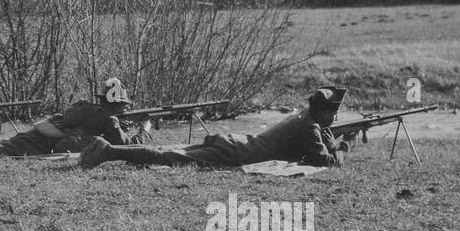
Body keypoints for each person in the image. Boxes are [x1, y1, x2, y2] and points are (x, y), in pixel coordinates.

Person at [78, 86, 349, 169]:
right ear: (324, 112)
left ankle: (115, 152)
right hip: (237, 153)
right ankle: (110, 151)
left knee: (170, 151)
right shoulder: (311, 128)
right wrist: (341, 146)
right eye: (332, 115)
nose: (333, 120)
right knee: (172, 156)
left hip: (234, 142)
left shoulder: (304, 118)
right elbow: (324, 161)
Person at [0, 78, 145, 159]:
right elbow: (127, 147)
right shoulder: (109, 120)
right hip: (45, 144)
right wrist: (144, 129)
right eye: (122, 107)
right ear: (118, 104)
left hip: (39, 134)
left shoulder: (88, 109)